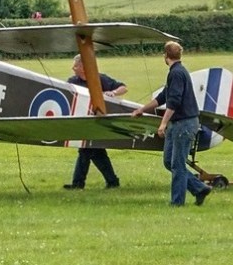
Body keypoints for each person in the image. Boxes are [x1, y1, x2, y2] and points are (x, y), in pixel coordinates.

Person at [132, 41, 212, 206]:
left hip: (183, 124)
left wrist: (163, 123)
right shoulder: (177, 72)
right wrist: (142, 109)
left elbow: (174, 102)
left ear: (165, 56)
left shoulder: (176, 73)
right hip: (179, 124)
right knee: (169, 161)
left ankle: (177, 202)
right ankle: (199, 188)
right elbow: (163, 97)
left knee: (177, 164)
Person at [63, 54, 128, 190]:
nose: (73, 68)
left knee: (88, 150)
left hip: (99, 121)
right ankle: (110, 181)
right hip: (84, 122)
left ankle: (79, 183)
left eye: (75, 66)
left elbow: (123, 87)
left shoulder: (100, 79)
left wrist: (113, 93)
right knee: (92, 150)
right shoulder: (72, 82)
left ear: (83, 67)